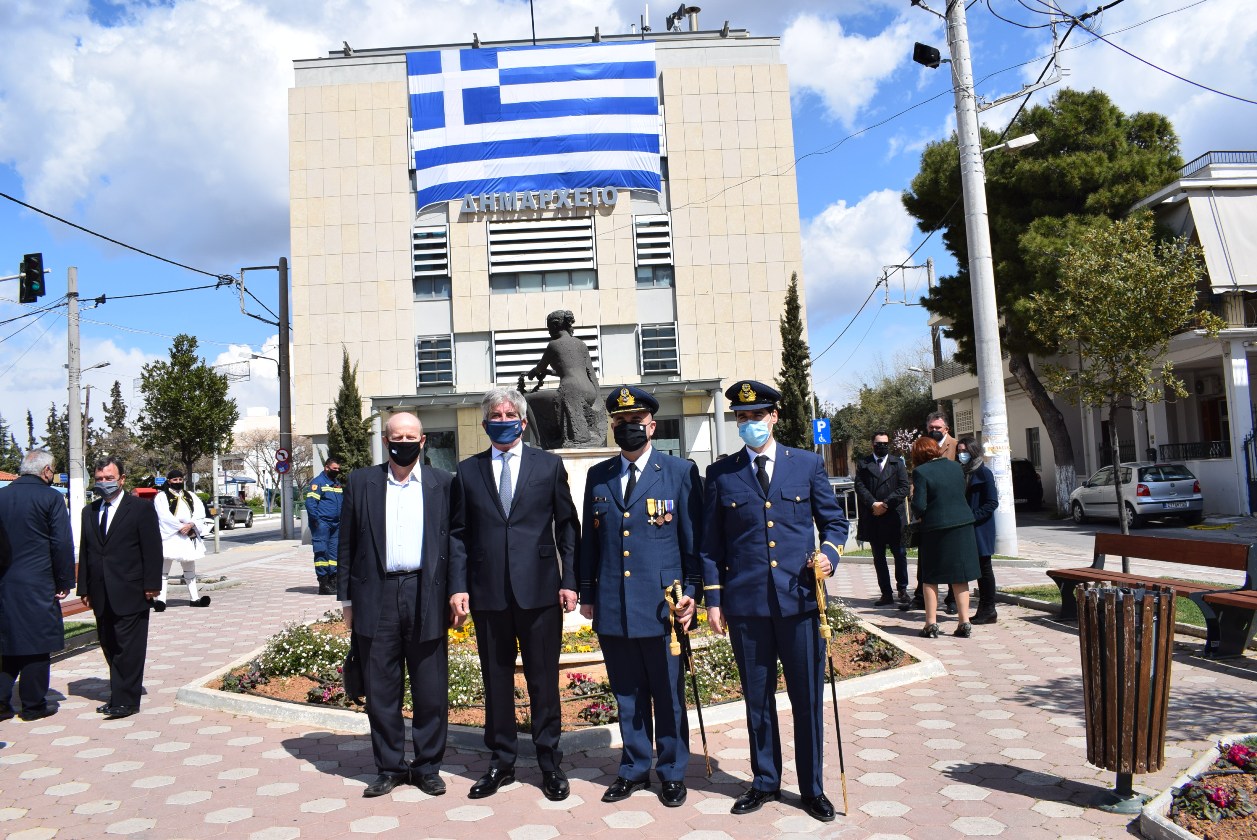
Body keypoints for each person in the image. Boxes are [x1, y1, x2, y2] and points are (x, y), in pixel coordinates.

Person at [700, 379, 848, 823]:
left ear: (774, 417)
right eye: (742, 417)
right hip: (746, 607)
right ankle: (765, 780)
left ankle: (812, 788)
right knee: (757, 700)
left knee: (807, 699)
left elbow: (834, 522)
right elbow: (711, 546)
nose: (750, 423)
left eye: (757, 415)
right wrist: (713, 600)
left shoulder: (806, 464)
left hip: (799, 602)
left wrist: (829, 554)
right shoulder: (721, 474)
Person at [449, 387, 580, 802]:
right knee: (496, 680)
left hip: (540, 592)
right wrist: (458, 585)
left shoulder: (548, 465)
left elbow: (568, 526)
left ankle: (549, 762)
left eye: (509, 414)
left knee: (543, 680)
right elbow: (458, 535)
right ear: (485, 423)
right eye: (495, 415)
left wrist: (570, 580)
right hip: (488, 594)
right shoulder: (467, 471)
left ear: (523, 422)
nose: (502, 420)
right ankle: (501, 761)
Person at [578, 385, 703, 807]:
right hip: (614, 604)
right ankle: (633, 769)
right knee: (627, 694)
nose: (628, 427)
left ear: (652, 425)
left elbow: (691, 541)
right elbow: (589, 542)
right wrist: (588, 594)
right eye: (620, 422)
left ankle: (671, 771)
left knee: (668, 694)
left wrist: (692, 593)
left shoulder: (679, 472)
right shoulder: (599, 476)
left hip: (663, 605)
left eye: (635, 421)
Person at [337, 413, 454, 798]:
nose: (404, 443)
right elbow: (346, 544)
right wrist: (346, 599)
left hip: (426, 592)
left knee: (430, 687)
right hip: (377, 595)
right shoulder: (361, 482)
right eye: (396, 437)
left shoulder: (443, 483)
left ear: (423, 441)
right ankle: (389, 767)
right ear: (386, 442)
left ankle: (427, 767)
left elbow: (456, 543)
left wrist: (457, 591)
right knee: (381, 690)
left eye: (411, 437)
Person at [77, 456, 163, 719]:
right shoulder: (89, 511)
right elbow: (87, 551)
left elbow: (152, 548)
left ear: (122, 479)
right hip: (100, 592)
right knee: (109, 645)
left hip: (132, 590)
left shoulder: (140, 509)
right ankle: (117, 695)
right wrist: (84, 588)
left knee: (129, 649)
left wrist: (152, 584)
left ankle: (127, 701)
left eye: (109, 478)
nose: (104, 483)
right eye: (99, 479)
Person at [0, 450, 75, 721]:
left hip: (5, 582)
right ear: (46, 471)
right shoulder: (51, 497)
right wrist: (65, 580)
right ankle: (33, 705)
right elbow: (61, 542)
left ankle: (1, 703)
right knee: (37, 643)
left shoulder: (2, 496)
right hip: (38, 581)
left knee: (7, 642)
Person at [909, 437, 979, 639]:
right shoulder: (956, 467)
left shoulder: (921, 472)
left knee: (930, 577)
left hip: (936, 529)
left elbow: (919, 505)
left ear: (918, 454)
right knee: (960, 576)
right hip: (963, 525)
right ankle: (964, 622)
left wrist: (915, 506)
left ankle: (931, 624)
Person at [525, 309, 605, 448]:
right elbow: (583, 371)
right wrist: (550, 372)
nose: (549, 332)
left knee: (527, 400)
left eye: (549, 328)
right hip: (590, 391)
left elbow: (540, 367)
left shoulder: (553, 345)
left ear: (555, 325)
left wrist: (533, 373)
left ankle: (539, 442)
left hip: (571, 391)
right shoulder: (581, 344)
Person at [905, 412, 960, 613]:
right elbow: (916, 476)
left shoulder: (956, 446)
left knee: (952, 557)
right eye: (931, 428)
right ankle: (921, 597)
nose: (934, 431)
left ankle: (952, 600)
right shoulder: (921, 445)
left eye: (938, 428)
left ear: (947, 429)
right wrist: (916, 502)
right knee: (925, 558)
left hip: (949, 510)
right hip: (927, 513)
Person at [854, 432, 911, 607]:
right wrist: (873, 504)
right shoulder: (864, 463)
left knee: (900, 554)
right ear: (873, 444)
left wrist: (885, 504)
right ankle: (886, 593)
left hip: (894, 516)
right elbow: (859, 486)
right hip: (874, 516)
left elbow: (904, 488)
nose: (882, 446)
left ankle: (902, 589)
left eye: (885, 443)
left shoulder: (897, 463)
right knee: (879, 557)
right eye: (879, 443)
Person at [153, 469, 210, 609]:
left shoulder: (191, 495)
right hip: (170, 535)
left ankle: (194, 598)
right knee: (164, 569)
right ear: (169, 481)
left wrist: (191, 524)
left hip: (188, 534)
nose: (178, 482)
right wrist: (179, 527)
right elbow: (163, 515)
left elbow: (200, 512)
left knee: (189, 568)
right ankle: (161, 600)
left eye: (180, 479)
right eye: (175, 480)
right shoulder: (161, 497)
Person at [957, 438, 999, 624]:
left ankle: (989, 609)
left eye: (964, 451)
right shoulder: (960, 472)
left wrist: (973, 516)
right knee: (973, 569)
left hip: (981, 527)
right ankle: (981, 608)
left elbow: (992, 502)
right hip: (964, 526)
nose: (961, 454)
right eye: (959, 451)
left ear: (973, 451)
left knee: (984, 567)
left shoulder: (984, 473)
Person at [305, 457, 344, 595]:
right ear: (326, 468)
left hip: (336, 524)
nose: (337, 471)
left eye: (338, 469)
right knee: (322, 551)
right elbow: (310, 503)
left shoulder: (336, 484)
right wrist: (316, 520)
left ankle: (333, 580)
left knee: (334, 553)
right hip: (322, 523)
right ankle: (323, 582)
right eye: (334, 468)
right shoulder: (318, 482)